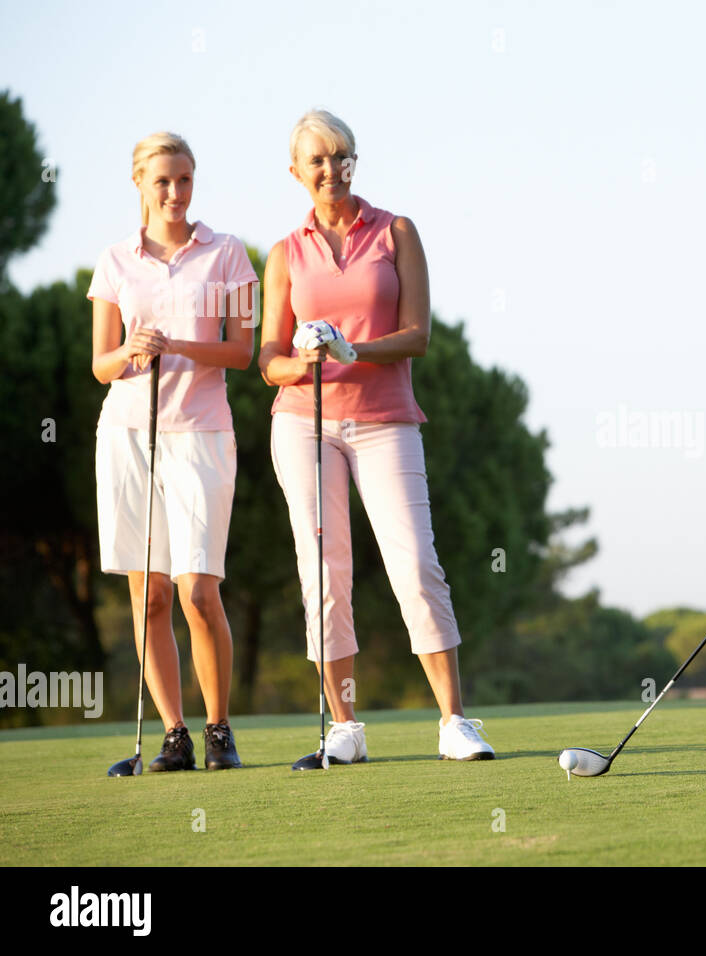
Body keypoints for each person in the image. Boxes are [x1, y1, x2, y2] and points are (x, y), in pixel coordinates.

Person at [258, 109, 493, 765]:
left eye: (341, 157)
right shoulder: (285, 253)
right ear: (296, 173)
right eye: (317, 161)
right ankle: (345, 727)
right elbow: (267, 359)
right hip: (302, 423)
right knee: (323, 573)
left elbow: (418, 334)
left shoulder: (395, 231)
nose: (330, 171)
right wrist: (303, 357)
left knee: (416, 564)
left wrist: (350, 346)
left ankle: (454, 721)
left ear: (354, 161)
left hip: (386, 419)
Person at [89, 132, 256, 771]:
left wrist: (181, 346)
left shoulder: (229, 254)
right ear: (139, 184)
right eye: (163, 181)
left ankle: (219, 729)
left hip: (202, 433)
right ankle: (174, 735)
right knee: (150, 594)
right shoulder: (114, 260)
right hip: (129, 434)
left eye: (184, 179)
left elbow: (241, 351)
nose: (175, 193)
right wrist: (132, 351)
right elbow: (100, 365)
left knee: (197, 590)